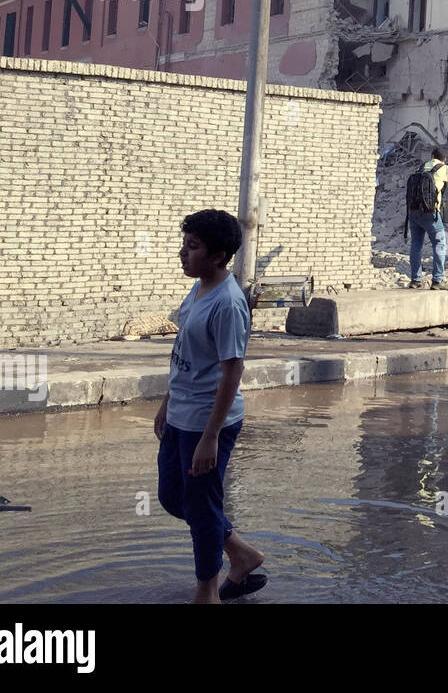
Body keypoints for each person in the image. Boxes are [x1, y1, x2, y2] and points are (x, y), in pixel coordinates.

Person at [156, 209, 266, 603]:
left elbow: (231, 372)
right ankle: (241, 553)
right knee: (173, 497)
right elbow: (184, 351)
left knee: (202, 509)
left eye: (193, 247)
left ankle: (207, 592)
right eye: (184, 245)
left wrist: (211, 437)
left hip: (207, 422)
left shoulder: (229, 303)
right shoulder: (199, 287)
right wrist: (167, 401)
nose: (183, 254)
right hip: (181, 414)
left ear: (218, 256)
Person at [406, 146, 448, 290]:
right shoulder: (445, 168)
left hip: (413, 212)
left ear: (431, 156)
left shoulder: (421, 167)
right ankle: (437, 280)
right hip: (430, 212)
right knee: (440, 243)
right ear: (444, 159)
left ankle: (415, 280)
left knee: (416, 245)